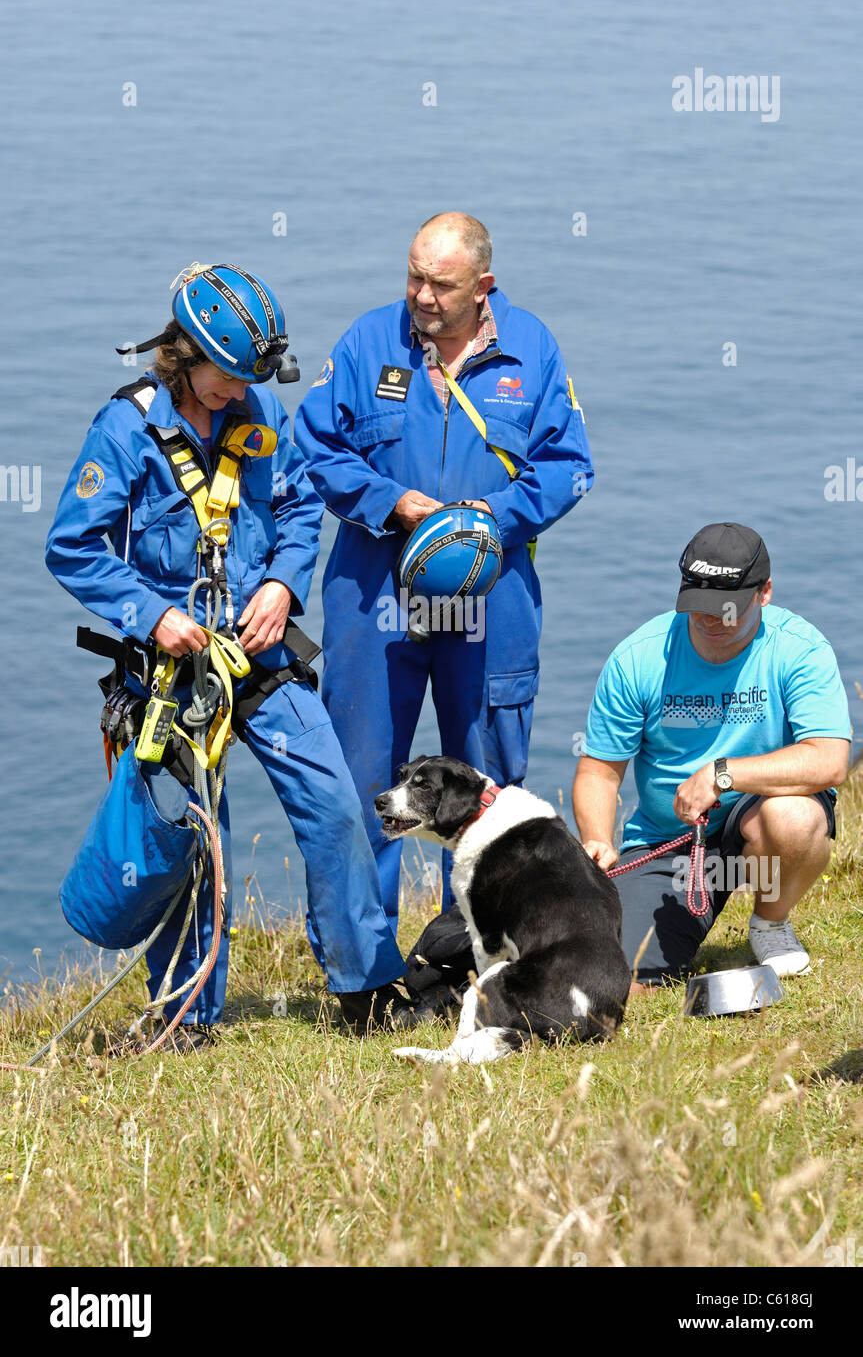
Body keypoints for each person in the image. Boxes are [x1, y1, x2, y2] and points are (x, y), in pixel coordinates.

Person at [46, 262, 410, 1047]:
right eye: (226, 377)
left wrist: (282, 583)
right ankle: (186, 1018)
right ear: (182, 354)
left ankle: (368, 991)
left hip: (261, 659)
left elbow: (299, 501)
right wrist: (151, 615)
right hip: (175, 674)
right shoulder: (125, 430)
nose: (239, 392)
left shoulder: (259, 405)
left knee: (337, 808)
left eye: (249, 379)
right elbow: (72, 547)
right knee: (195, 842)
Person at [294, 212, 593, 927]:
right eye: (413, 276)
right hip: (375, 594)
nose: (422, 296)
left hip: (490, 594)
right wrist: (390, 500)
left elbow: (569, 467)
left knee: (485, 787)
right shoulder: (368, 343)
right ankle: (363, 977)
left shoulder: (533, 351)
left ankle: (469, 961)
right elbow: (314, 449)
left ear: (484, 286)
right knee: (363, 784)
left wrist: (485, 522)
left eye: (442, 284)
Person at [571, 522, 852, 989]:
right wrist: (598, 838)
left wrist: (722, 774)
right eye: (697, 609)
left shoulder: (800, 649)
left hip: (760, 813)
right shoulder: (637, 658)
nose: (710, 621)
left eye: (727, 610)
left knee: (796, 818)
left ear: (764, 593)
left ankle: (771, 922)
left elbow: (830, 761)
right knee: (617, 977)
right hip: (672, 840)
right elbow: (600, 772)